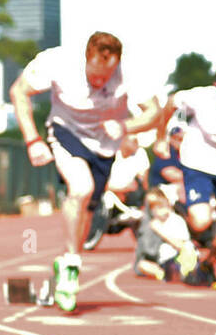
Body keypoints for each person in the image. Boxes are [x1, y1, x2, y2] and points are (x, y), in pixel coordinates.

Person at [10, 33, 159, 312]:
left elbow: (154, 112)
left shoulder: (132, 72)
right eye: (95, 75)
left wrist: (127, 127)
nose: (101, 82)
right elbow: (19, 91)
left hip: (105, 144)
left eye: (108, 75)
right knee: (80, 188)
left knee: (88, 212)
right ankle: (71, 265)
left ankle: (69, 260)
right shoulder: (58, 62)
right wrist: (32, 140)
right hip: (67, 132)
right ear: (85, 60)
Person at [116, 64, 216, 288]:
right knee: (200, 220)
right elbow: (169, 104)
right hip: (197, 161)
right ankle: (181, 229)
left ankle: (207, 262)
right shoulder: (199, 97)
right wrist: (160, 137)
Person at [133, 187, 195, 281]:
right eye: (159, 208)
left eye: (166, 207)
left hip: (180, 258)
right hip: (163, 262)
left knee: (186, 258)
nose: (164, 211)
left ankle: (181, 273)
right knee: (142, 265)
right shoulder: (150, 223)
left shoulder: (175, 220)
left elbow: (181, 245)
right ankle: (163, 274)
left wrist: (160, 231)